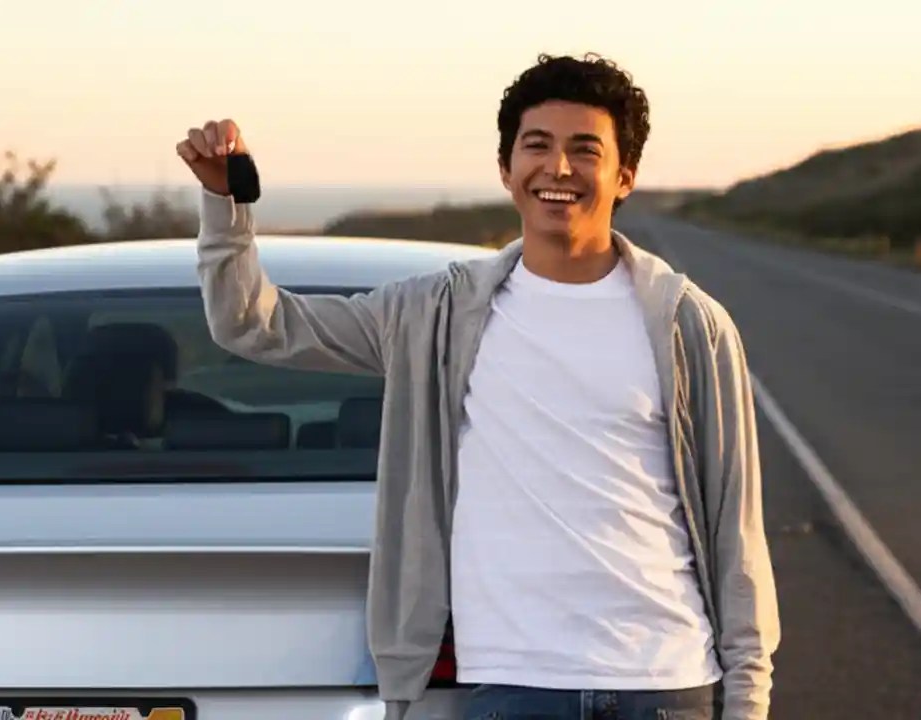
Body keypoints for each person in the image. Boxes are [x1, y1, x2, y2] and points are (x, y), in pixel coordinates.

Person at [175, 53, 779, 720]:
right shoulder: (434, 314)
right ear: (506, 169)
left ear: (624, 175)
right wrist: (225, 202)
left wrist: (747, 698)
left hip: (664, 683)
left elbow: (736, 530)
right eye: (537, 146)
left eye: (585, 150)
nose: (558, 169)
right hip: (508, 686)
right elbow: (254, 325)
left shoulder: (691, 326)